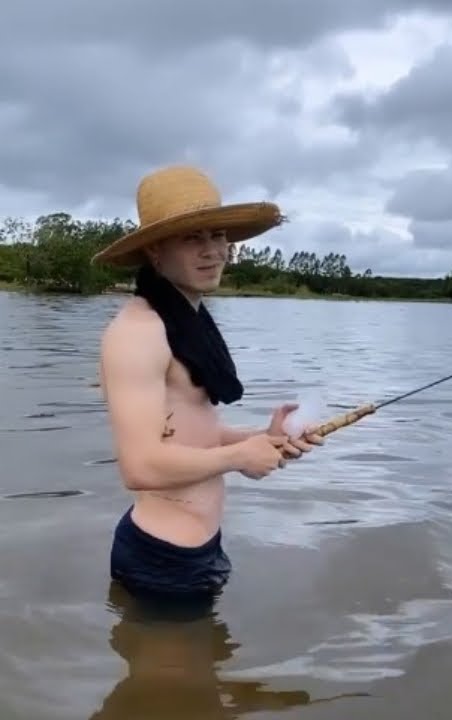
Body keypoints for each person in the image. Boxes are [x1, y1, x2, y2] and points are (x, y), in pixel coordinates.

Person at [94, 164, 325, 607]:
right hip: (164, 556)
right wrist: (239, 457)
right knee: (179, 678)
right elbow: (139, 467)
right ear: (156, 251)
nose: (212, 251)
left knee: (201, 673)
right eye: (192, 238)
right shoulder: (138, 332)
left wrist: (265, 438)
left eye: (218, 236)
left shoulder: (186, 322)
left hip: (196, 546)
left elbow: (191, 432)